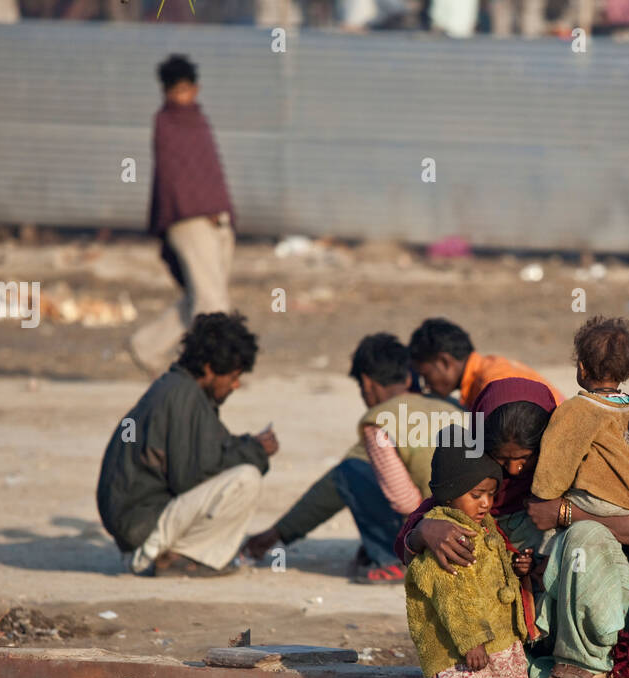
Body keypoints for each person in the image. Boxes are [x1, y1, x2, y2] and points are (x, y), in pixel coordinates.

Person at [399, 376, 629, 678]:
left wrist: (565, 513)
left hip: (582, 616)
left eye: (526, 458)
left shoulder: (584, 460)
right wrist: (424, 531)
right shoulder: (474, 482)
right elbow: (413, 544)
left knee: (585, 537)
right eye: (502, 459)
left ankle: (583, 659)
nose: (515, 470)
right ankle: (517, 661)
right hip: (515, 629)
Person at [243, 334, 463, 583]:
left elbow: (401, 501)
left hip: (434, 535)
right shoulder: (449, 404)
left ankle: (392, 560)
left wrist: (274, 535)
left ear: (367, 384)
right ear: (408, 376)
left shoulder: (381, 421)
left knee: (351, 472)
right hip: (468, 527)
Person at [405, 427, 531, 678]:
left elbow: (489, 575)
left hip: (478, 650)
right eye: (476, 495)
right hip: (455, 653)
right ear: (448, 493)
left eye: (490, 494)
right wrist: (469, 640)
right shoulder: (446, 536)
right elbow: (450, 596)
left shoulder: (480, 528)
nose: (485, 503)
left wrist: (517, 567)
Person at [98, 312, 277, 577]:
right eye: (233, 376)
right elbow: (196, 475)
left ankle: (176, 555)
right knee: (245, 479)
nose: (236, 385)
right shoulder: (183, 397)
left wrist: (250, 444)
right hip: (143, 536)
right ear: (208, 368)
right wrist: (257, 452)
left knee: (241, 471)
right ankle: (182, 557)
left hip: (139, 527)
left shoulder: (177, 388)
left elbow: (213, 449)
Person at [128, 54, 237, 376]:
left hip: (216, 220)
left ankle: (145, 346)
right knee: (213, 306)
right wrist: (196, 212)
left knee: (200, 297)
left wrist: (222, 212)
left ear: (197, 89)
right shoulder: (165, 123)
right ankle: (211, 371)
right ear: (165, 92)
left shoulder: (199, 120)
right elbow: (173, 179)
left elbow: (209, 172)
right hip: (187, 222)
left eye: (186, 89)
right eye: (175, 91)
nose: (182, 97)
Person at [530, 315, 629, 518]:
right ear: (627, 371)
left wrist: (543, 496)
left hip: (596, 502)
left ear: (582, 368)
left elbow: (558, 462)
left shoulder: (578, 410)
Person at [407, 317, 564, 410]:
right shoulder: (490, 366)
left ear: (444, 362)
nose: (426, 385)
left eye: (425, 376)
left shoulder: (492, 383)